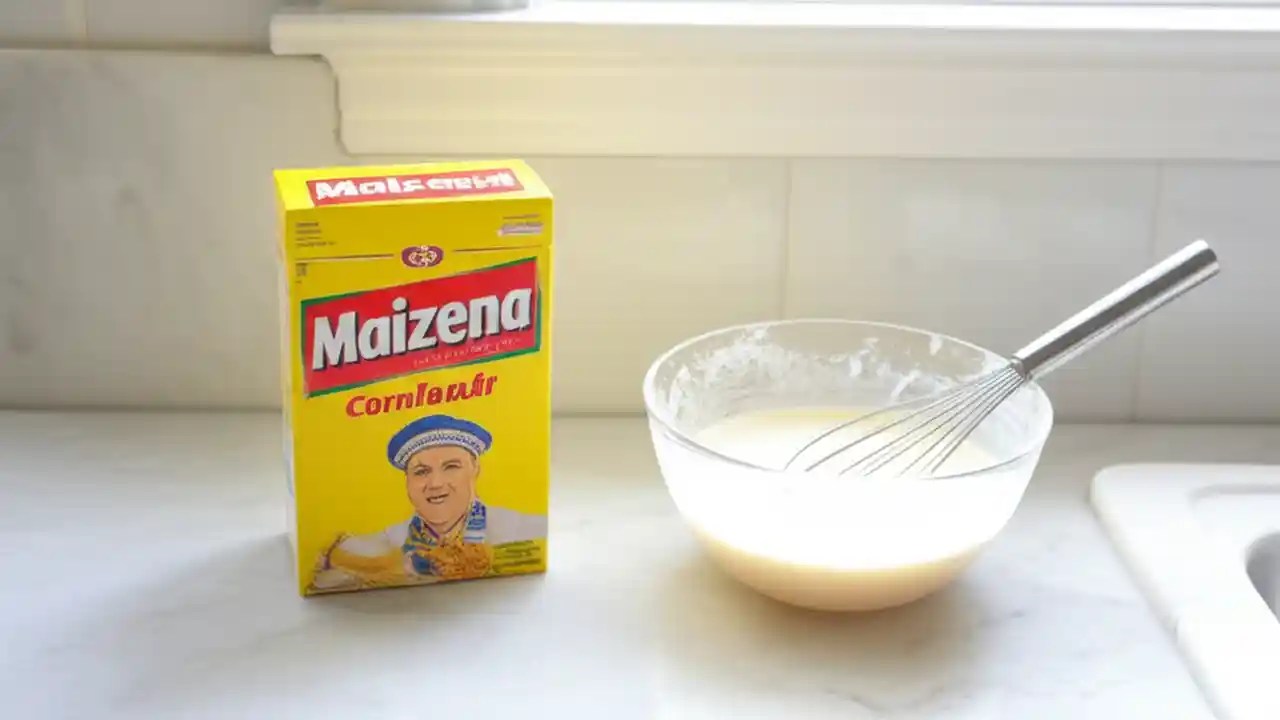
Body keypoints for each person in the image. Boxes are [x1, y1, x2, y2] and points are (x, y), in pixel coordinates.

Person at [309, 414, 547, 592]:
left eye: (451, 467)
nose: (435, 483)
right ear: (408, 481)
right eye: (421, 472)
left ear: (475, 468)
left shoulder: (524, 531)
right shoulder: (382, 548)